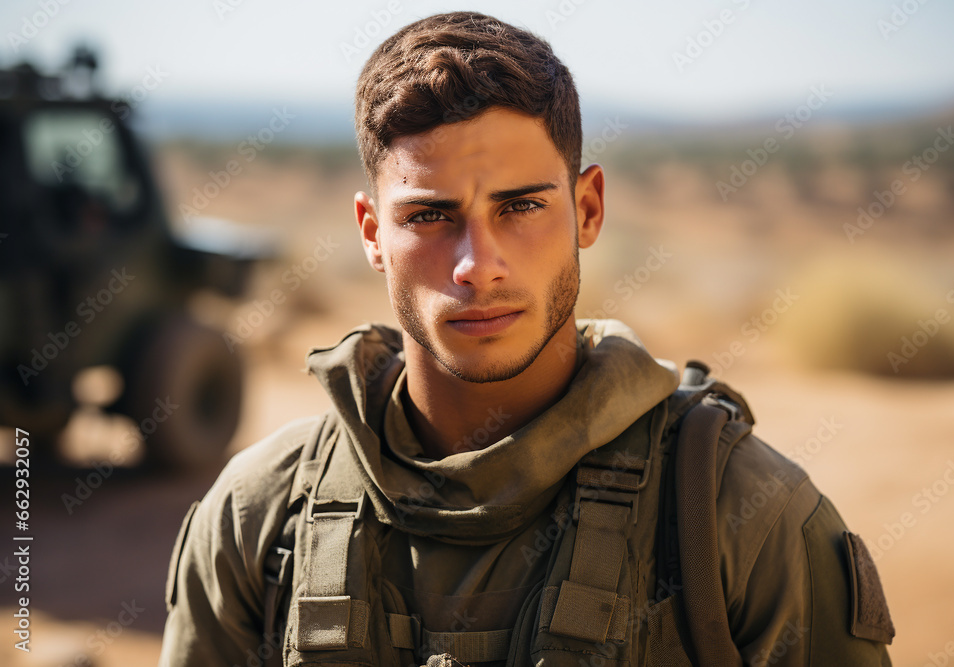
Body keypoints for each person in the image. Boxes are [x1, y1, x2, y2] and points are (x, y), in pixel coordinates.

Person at [158, 11, 895, 666]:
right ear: (373, 233)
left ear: (587, 209)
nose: (478, 266)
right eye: (430, 216)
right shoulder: (258, 514)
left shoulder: (741, 515)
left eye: (521, 207)